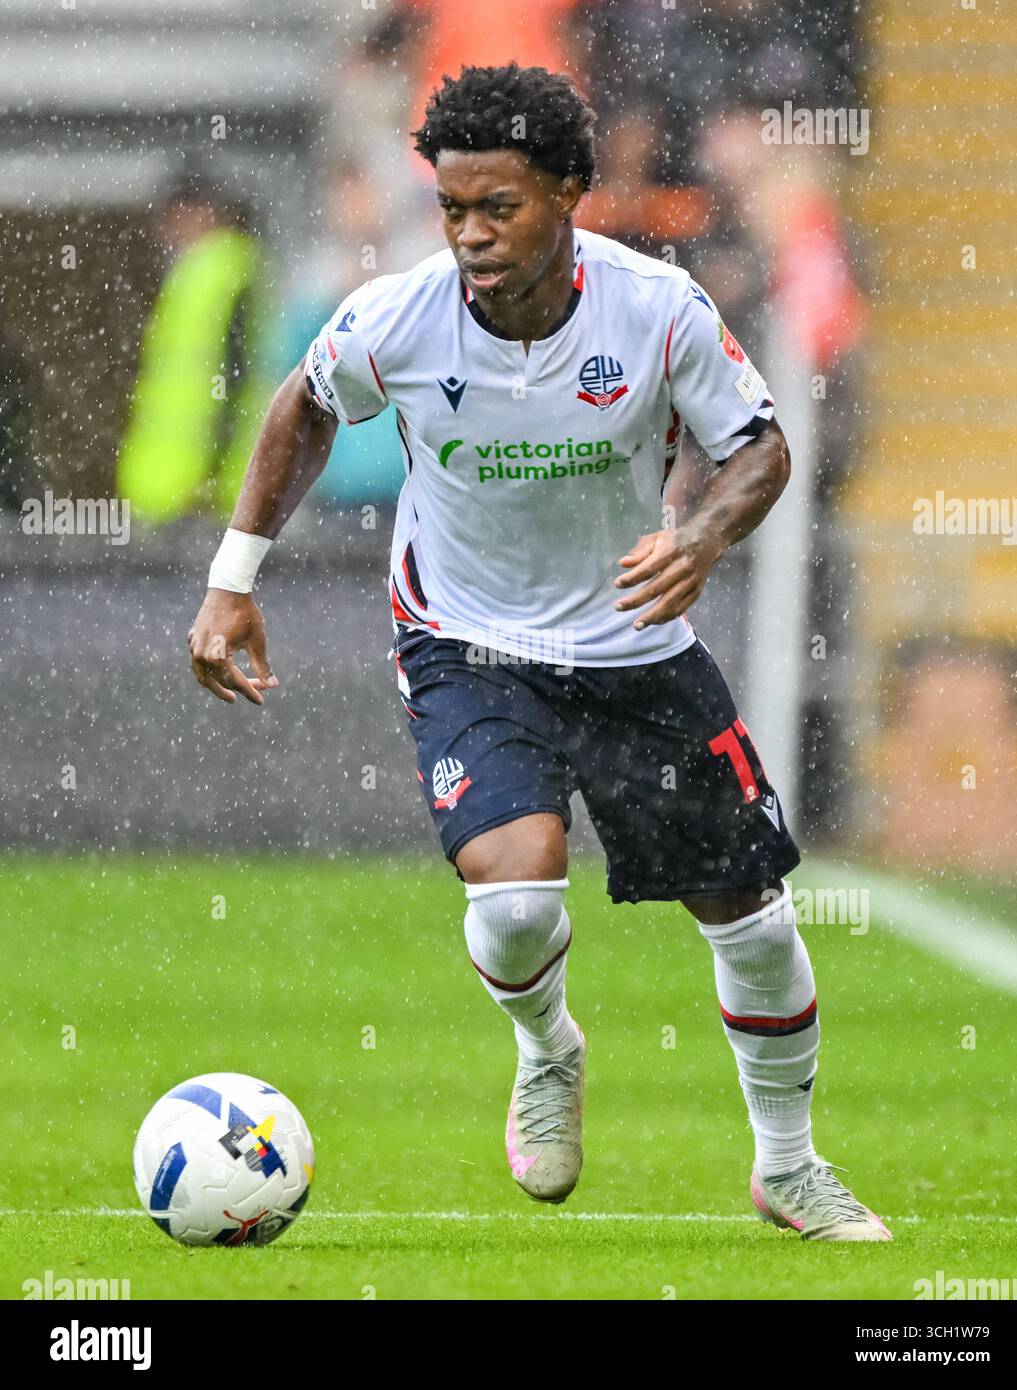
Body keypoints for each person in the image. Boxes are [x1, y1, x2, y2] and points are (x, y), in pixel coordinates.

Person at [187, 64, 890, 1241]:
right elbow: (303, 404)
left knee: (755, 923)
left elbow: (758, 446)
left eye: (497, 207)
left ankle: (787, 1167)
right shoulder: (398, 317)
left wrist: (699, 537)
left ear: (567, 194)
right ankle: (546, 1047)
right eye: (452, 208)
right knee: (514, 903)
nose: (469, 234)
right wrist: (231, 580)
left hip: (632, 645)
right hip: (466, 641)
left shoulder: (655, 309)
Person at [117, 174, 272, 524]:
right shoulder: (194, 273)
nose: (170, 229)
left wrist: (212, 474)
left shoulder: (225, 271)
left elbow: (235, 378)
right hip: (172, 488)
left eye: (179, 214)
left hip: (197, 491)